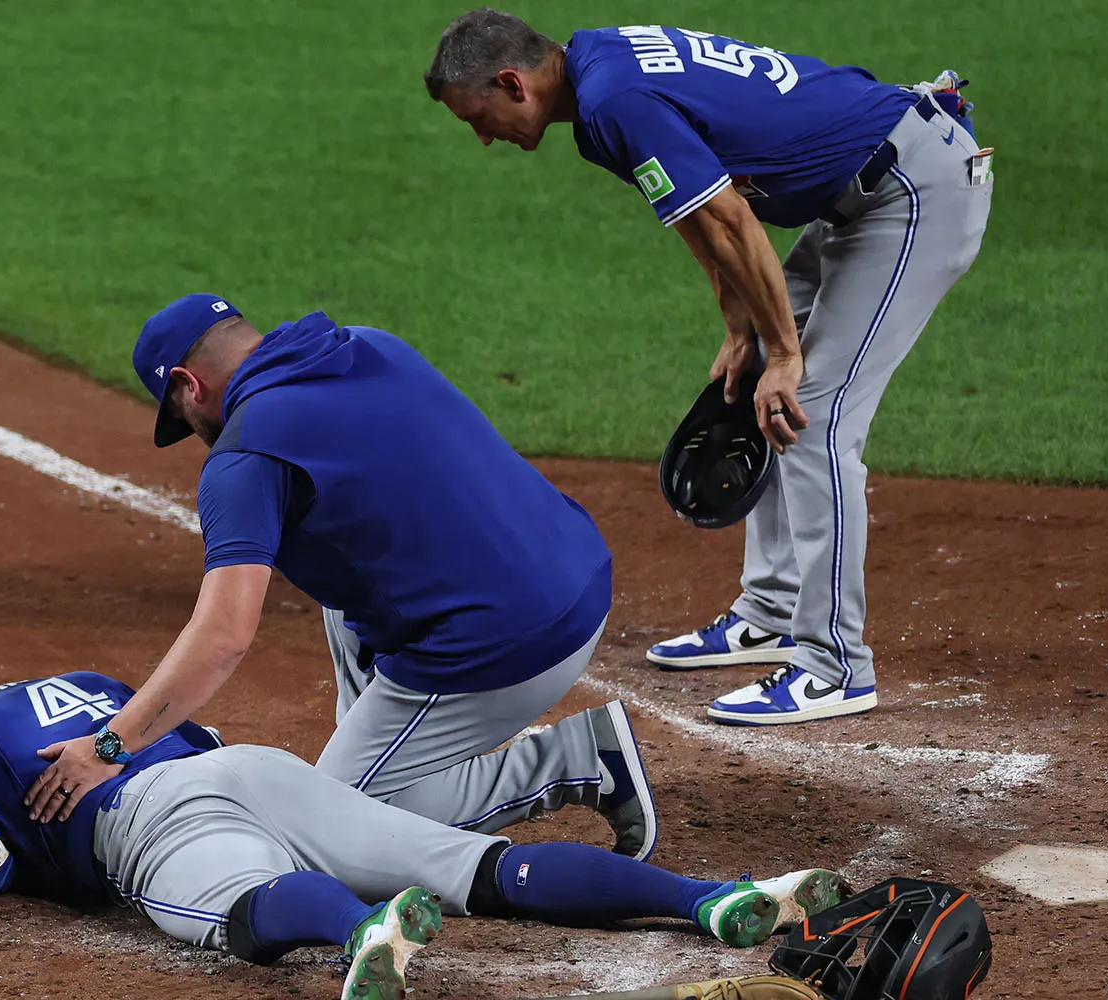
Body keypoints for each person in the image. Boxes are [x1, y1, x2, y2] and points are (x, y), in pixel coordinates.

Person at [424, 11, 992, 724]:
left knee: (812, 414)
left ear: (513, 82)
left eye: (479, 116)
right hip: (862, 188)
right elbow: (697, 212)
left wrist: (784, 351)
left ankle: (835, 664)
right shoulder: (597, 71)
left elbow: (733, 220)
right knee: (759, 380)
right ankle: (772, 606)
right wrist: (741, 328)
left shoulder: (612, 102)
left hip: (914, 190)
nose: (482, 137)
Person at [29, 293, 658, 860]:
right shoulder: (365, 344)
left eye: (180, 416)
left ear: (190, 386)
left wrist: (110, 746)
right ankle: (384, 754)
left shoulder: (244, 459)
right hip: (576, 569)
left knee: (331, 827)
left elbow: (223, 635)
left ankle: (574, 762)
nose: (193, 435)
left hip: (511, 641)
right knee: (335, 535)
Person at [0, 671, 848, 1000]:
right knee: (482, 868)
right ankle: (711, 900)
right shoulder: (78, 684)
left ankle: (362, 933)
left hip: (154, 827)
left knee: (247, 906)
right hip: (260, 771)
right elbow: (206, 740)